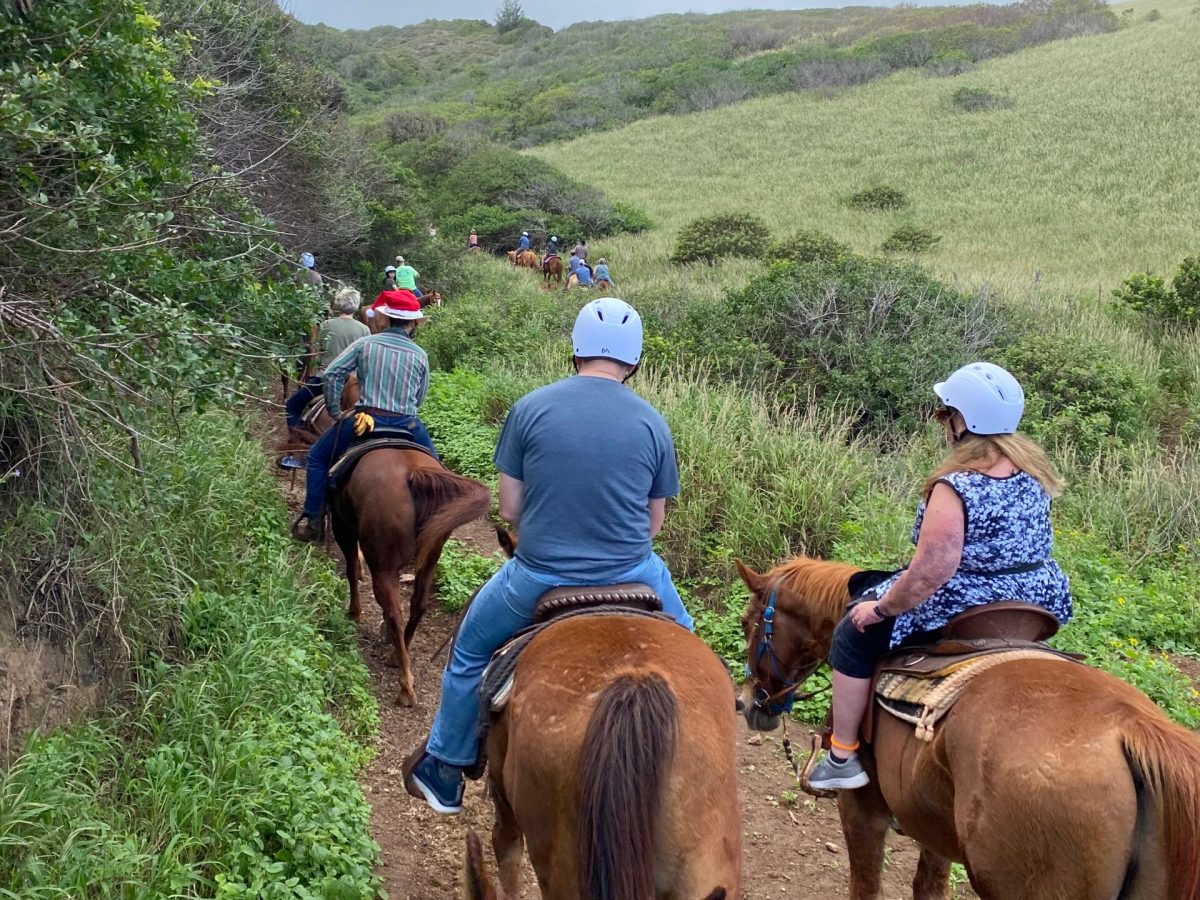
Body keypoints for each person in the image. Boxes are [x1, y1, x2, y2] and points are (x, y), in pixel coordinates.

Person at [405, 297, 694, 814]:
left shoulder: (531, 407)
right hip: (635, 572)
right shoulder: (654, 423)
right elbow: (653, 525)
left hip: (540, 576)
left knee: (470, 649)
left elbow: (511, 510)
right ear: (636, 359)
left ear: (576, 350)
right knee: (694, 656)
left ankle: (446, 768)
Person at [805, 362, 1072, 792]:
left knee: (852, 632)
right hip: (1034, 598)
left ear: (963, 421)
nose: (943, 423)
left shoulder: (957, 485)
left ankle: (842, 754)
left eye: (944, 413)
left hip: (968, 600)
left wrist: (880, 608)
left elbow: (932, 573)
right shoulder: (1034, 472)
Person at [291, 292, 438, 542]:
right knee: (439, 473)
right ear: (412, 323)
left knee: (316, 457)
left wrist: (336, 412)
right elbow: (419, 397)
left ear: (389, 318)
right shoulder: (419, 355)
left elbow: (333, 374)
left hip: (365, 420)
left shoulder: (366, 344)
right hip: (408, 423)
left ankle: (314, 520)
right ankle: (432, 528)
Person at [280, 288, 371, 468]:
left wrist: (310, 373)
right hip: (353, 382)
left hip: (324, 379)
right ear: (356, 306)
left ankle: (295, 451)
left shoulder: (326, 325)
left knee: (292, 405)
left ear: (338, 304)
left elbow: (315, 353)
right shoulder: (365, 329)